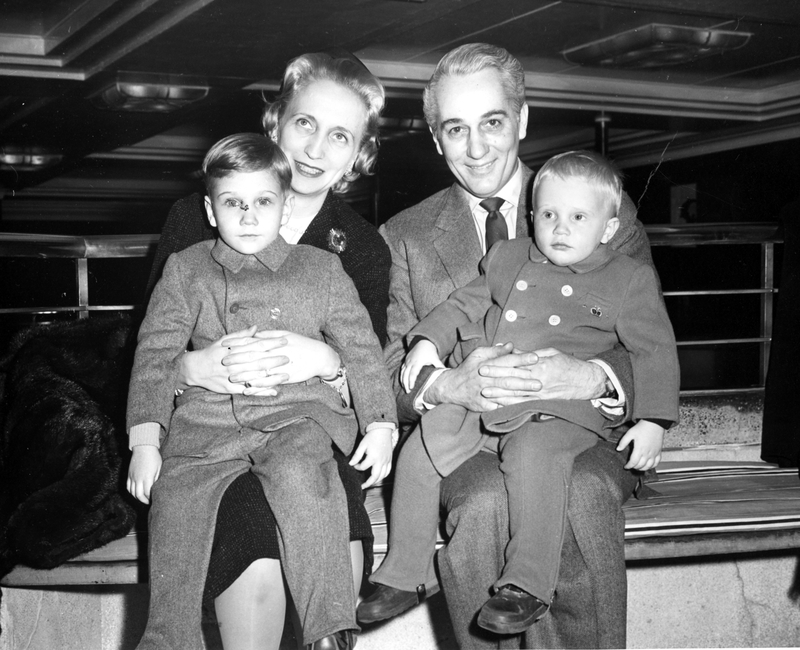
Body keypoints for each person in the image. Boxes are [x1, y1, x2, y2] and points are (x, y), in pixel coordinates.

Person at [360, 44, 656, 648]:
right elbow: (385, 369)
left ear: (521, 121)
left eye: (492, 123)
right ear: (437, 141)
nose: (476, 148)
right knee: (482, 502)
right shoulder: (404, 236)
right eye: (455, 129)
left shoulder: (601, 208)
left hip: (579, 432)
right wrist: (445, 384)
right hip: (467, 436)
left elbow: (647, 335)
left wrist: (595, 377)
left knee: (581, 492)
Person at [145, 52, 391, 650]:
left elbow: (368, 360)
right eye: (305, 124)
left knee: (315, 514)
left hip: (308, 435)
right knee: (241, 535)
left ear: (358, 154)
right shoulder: (192, 223)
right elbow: (146, 348)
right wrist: (192, 369)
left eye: (340, 136)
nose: (315, 149)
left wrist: (327, 361)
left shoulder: (360, 248)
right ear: (275, 121)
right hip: (209, 433)